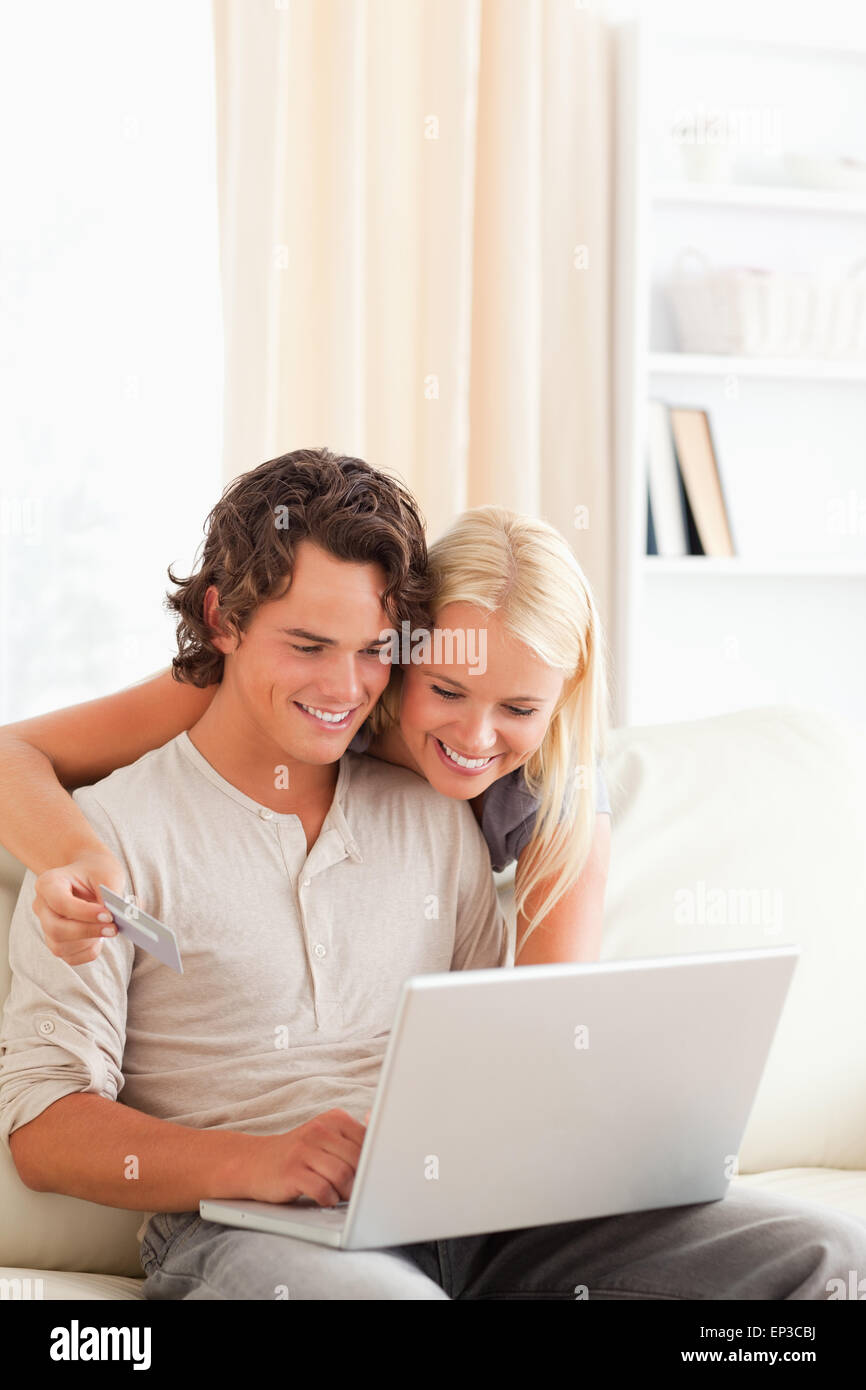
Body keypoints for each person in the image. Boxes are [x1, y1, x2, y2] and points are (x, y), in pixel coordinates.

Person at [1, 447, 865, 1301]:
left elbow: (515, 1053)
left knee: (832, 1254)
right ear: (224, 622)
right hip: (256, 1230)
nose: (343, 687)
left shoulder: (440, 807)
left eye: (374, 650)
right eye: (307, 644)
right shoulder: (104, 834)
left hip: (478, 1214)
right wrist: (260, 1162)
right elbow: (42, 1130)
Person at [0, 509, 613, 968]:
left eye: (520, 708)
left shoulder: (559, 792)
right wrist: (80, 856)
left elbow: (550, 1025)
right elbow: (12, 754)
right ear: (398, 646)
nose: (476, 736)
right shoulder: (308, 685)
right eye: (447, 692)